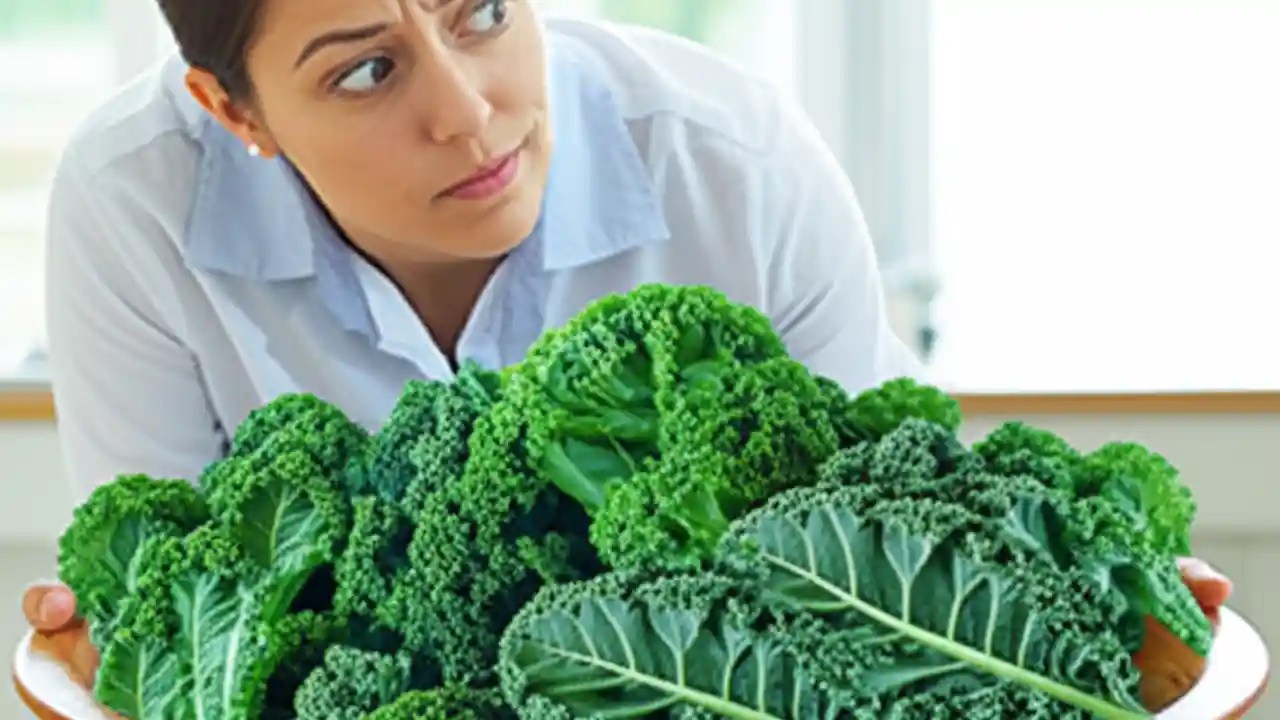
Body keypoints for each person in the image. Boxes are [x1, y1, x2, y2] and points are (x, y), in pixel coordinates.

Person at [21, 0, 1231, 690]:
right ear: (231, 110)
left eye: (481, 12)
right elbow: (169, 600)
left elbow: (881, 535)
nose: (468, 110)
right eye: (369, 71)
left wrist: (1065, 595)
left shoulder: (733, 162)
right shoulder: (135, 207)